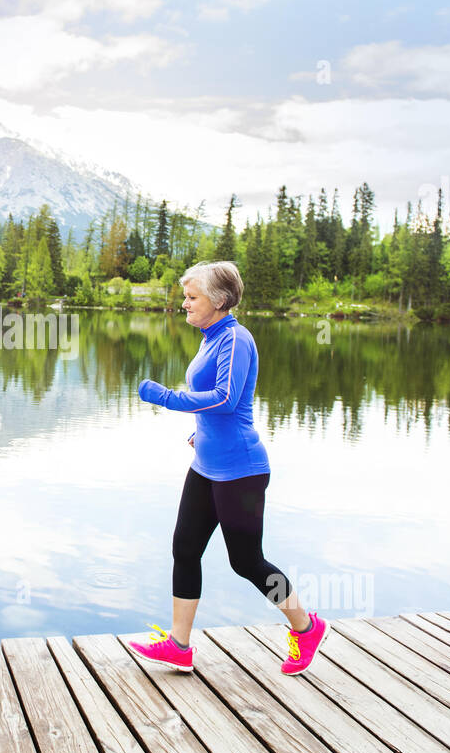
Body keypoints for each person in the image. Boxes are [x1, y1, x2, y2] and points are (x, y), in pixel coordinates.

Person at [131, 260, 330, 675]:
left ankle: (307, 627)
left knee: (248, 562)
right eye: (185, 296)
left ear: (219, 301)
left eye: (191, 297)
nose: (183, 303)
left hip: (241, 470)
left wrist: (166, 397)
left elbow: (224, 397)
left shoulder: (237, 338)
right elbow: (215, 408)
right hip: (206, 464)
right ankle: (179, 645)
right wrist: (200, 432)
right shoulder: (210, 337)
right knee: (184, 549)